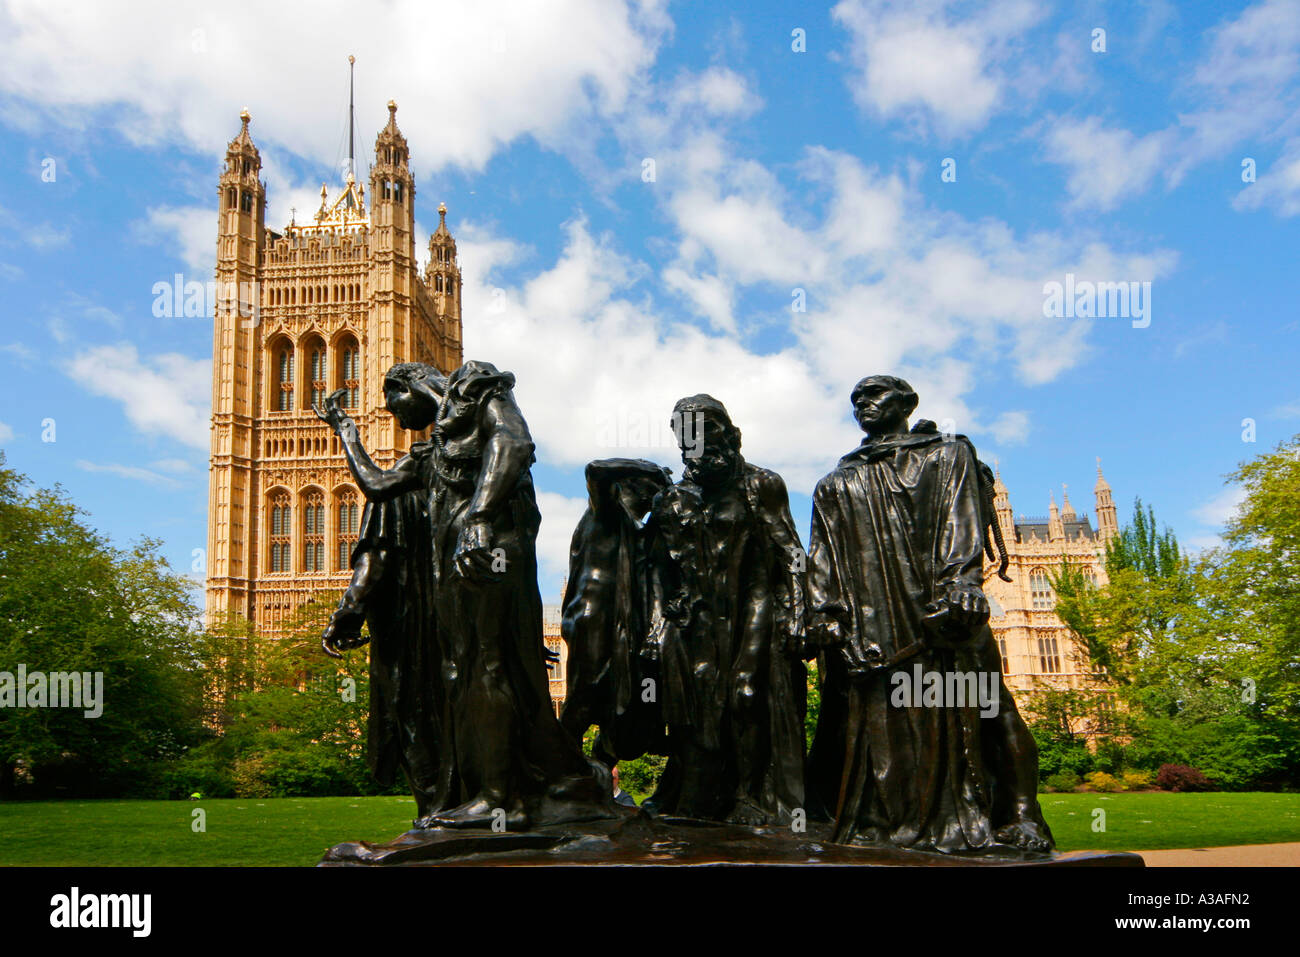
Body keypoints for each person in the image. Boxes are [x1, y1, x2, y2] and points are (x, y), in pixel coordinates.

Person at [806, 374, 1053, 853]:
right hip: (877, 628)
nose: (864, 405)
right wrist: (824, 613)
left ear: (907, 402)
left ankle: (1023, 816)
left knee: (992, 712)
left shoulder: (948, 455)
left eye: (874, 395)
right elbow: (823, 557)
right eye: (856, 399)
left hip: (947, 616)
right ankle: (895, 818)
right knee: (877, 727)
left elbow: (961, 522)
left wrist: (962, 582)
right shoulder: (835, 483)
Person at [642, 395, 809, 826]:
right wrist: (659, 622)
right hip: (692, 626)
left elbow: (790, 555)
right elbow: (657, 571)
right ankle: (699, 799)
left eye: (706, 433)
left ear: (731, 435)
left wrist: (799, 614)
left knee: (746, 693)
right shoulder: (672, 500)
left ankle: (751, 796)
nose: (697, 447)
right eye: (687, 439)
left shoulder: (761, 485)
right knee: (693, 714)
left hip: (752, 614)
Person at [316, 363, 447, 824]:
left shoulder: (398, 487)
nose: (391, 413)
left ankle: (434, 816)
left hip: (409, 627)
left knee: (411, 715)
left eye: (394, 400)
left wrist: (346, 615)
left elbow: (374, 563)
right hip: (457, 624)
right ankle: (455, 812)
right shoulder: (457, 475)